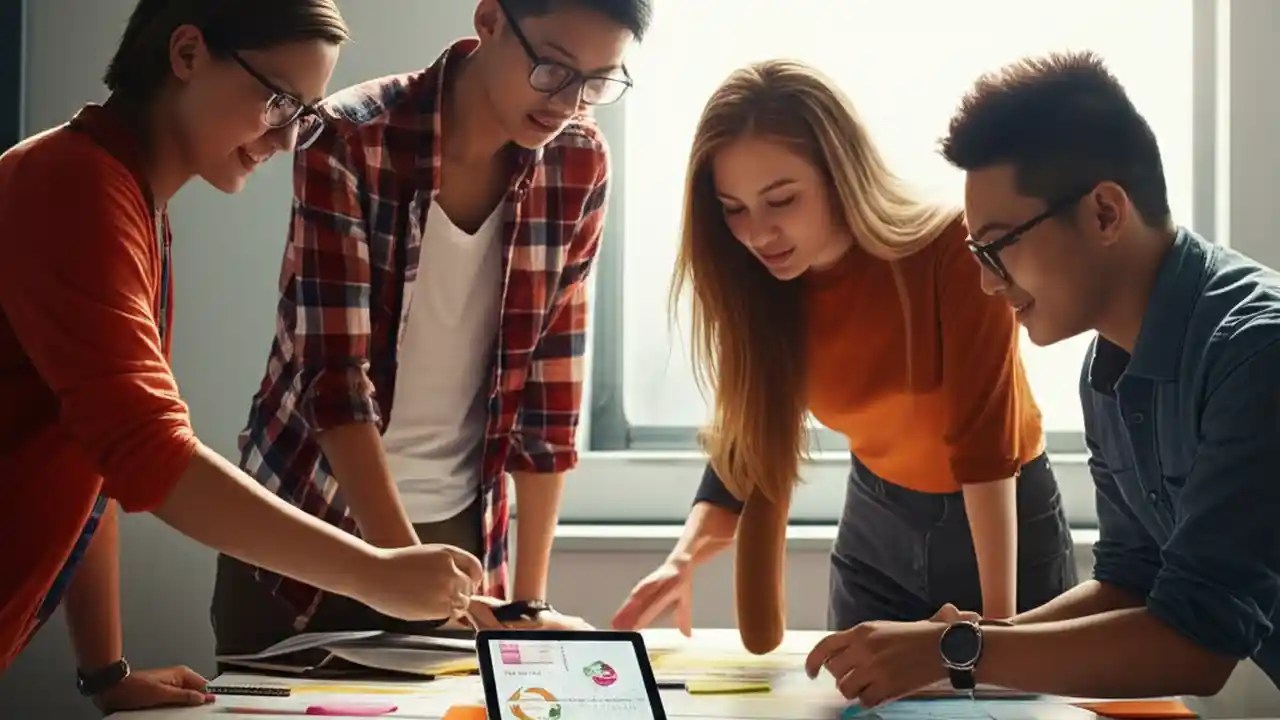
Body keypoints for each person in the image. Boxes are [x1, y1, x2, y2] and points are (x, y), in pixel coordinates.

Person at [0, 0, 489, 713]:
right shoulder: (73, 184)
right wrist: (374, 573)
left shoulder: (123, 195)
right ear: (187, 54)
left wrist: (106, 674)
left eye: (305, 115)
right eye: (279, 101)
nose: (288, 139)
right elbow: (146, 451)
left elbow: (95, 454)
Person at [803, 50, 1280, 707]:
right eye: (976, 252)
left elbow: (1198, 644)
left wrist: (956, 651)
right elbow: (1133, 583)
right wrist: (959, 646)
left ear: (1105, 213)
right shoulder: (1108, 369)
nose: (984, 282)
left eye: (998, 245)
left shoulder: (1257, 353)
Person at [209, 0, 652, 659]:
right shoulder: (352, 136)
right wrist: (399, 571)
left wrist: (528, 603)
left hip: (457, 537)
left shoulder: (578, 159)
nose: (567, 103)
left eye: (596, 81)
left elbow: (550, 396)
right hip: (306, 527)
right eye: (554, 69)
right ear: (490, 21)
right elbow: (334, 380)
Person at [610, 59, 1077, 651]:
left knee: (1014, 697)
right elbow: (748, 437)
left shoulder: (951, 252)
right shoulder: (761, 285)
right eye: (734, 208)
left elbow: (986, 450)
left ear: (839, 174)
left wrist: (999, 631)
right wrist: (683, 559)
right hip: (875, 528)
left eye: (781, 200)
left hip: (1000, 521)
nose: (757, 233)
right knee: (850, 698)